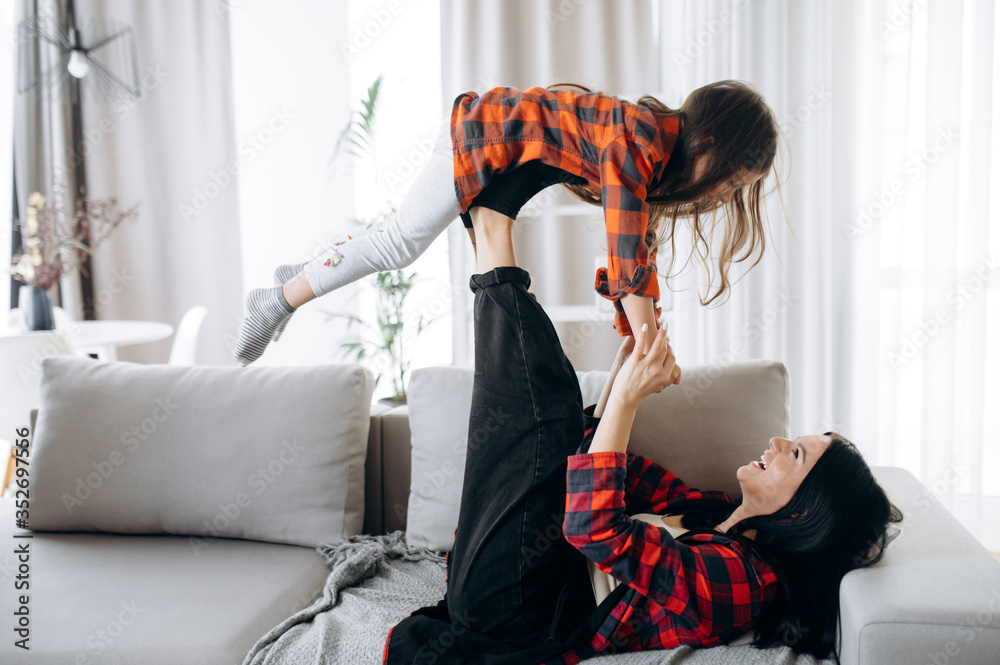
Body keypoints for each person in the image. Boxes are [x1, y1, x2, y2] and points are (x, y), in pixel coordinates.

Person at [381, 212, 902, 664]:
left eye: (795, 453)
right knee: (560, 418)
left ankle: (491, 229)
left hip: (519, 609)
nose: (774, 443)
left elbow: (594, 530)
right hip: (521, 570)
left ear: (808, 510)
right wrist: (629, 361)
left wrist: (630, 399)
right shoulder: (709, 510)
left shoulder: (745, 584)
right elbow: (596, 459)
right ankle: (490, 235)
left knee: (545, 414)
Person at [233, 81, 780, 366]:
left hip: (491, 137)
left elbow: (642, 245)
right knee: (398, 244)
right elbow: (626, 243)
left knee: (393, 237)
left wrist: (642, 327)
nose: (724, 195)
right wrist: (646, 338)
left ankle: (297, 275)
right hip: (482, 138)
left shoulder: (652, 149)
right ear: (708, 144)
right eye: (731, 181)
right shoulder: (638, 138)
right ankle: (277, 299)